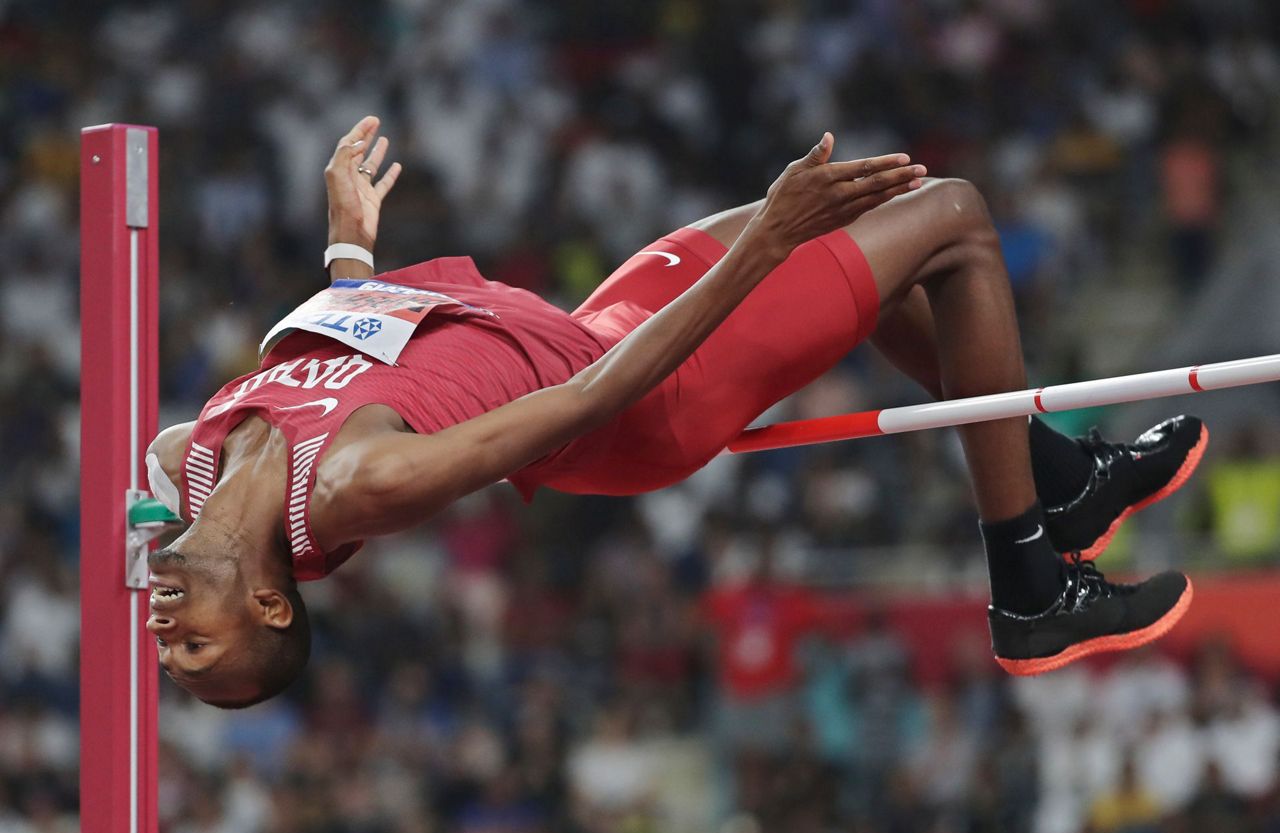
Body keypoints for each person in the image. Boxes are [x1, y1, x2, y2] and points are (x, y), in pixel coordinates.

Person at [144, 117, 1207, 708]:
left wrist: (348, 248)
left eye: (173, 654)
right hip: (646, 389)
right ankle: (1027, 579)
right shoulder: (360, 487)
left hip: (591, 321)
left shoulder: (186, 453)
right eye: (194, 652)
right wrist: (767, 242)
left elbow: (356, 352)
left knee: (874, 239)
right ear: (274, 607)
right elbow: (589, 400)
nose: (162, 640)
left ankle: (1059, 483)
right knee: (954, 221)